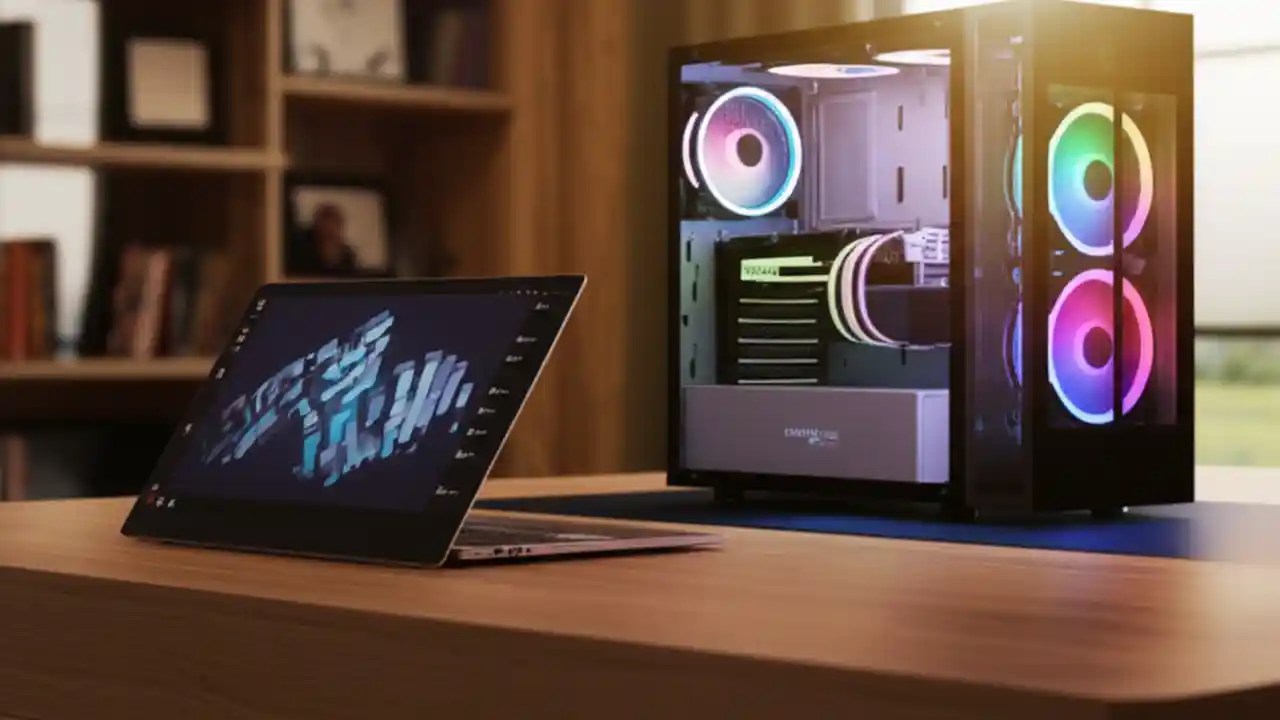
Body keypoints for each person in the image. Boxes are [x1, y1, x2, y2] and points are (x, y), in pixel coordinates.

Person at [290, 203, 358, 276]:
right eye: (326, 224)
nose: (330, 229)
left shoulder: (347, 254)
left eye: (335, 224)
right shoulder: (300, 248)